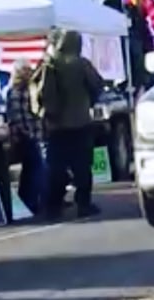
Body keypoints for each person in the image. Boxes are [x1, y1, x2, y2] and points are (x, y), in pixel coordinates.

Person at [38, 30, 104, 220]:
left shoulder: (49, 63)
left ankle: (53, 205)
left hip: (55, 125)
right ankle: (84, 204)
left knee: (55, 168)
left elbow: (41, 93)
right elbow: (97, 85)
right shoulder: (82, 64)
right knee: (82, 167)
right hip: (80, 122)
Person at [5, 60, 47, 215]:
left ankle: (28, 201)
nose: (30, 73)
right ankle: (31, 202)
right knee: (36, 170)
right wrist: (28, 135)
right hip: (27, 137)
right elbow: (17, 117)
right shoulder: (17, 91)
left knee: (30, 170)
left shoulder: (24, 90)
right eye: (27, 70)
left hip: (30, 135)